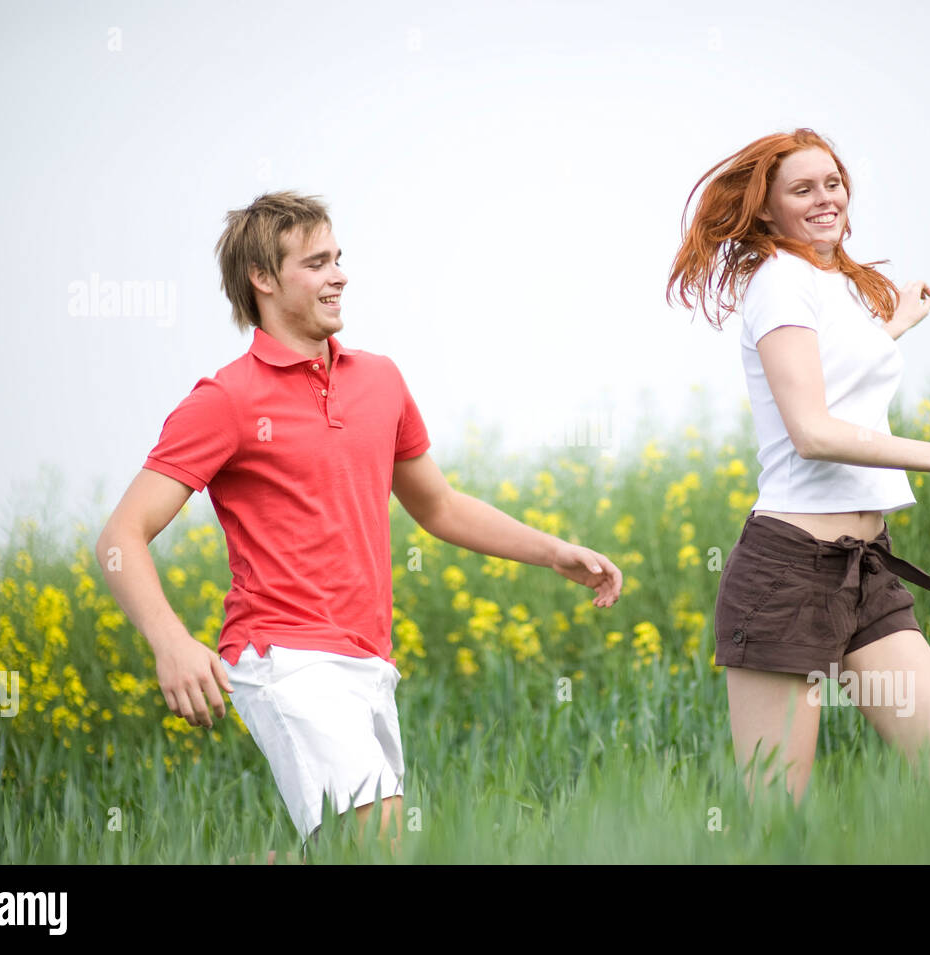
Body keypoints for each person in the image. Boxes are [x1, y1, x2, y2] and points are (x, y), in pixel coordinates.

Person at [95, 190, 623, 860]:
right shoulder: (226, 400)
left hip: (370, 660)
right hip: (285, 656)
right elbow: (121, 535)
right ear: (263, 278)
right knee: (378, 842)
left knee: (369, 850)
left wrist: (553, 551)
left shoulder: (380, 380)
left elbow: (438, 505)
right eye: (317, 263)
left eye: (338, 258)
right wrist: (170, 641)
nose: (339, 274)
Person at [666, 129, 930, 807]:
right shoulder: (777, 284)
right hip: (788, 573)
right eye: (803, 188)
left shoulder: (834, 283)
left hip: (867, 569)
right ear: (766, 209)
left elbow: (833, 381)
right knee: (778, 820)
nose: (825, 198)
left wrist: (892, 330)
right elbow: (813, 430)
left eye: (833, 181)